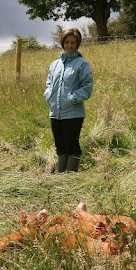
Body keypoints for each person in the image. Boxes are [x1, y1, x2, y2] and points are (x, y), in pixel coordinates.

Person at [44, 28, 93, 172]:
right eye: (67, 42)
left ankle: (70, 177)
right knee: (60, 145)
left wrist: (73, 98)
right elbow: (49, 84)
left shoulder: (82, 64)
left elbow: (87, 86)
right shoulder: (54, 65)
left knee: (72, 144)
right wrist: (49, 96)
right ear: (62, 43)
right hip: (55, 112)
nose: (70, 45)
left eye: (73, 42)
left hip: (73, 113)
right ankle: (61, 175)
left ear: (77, 44)